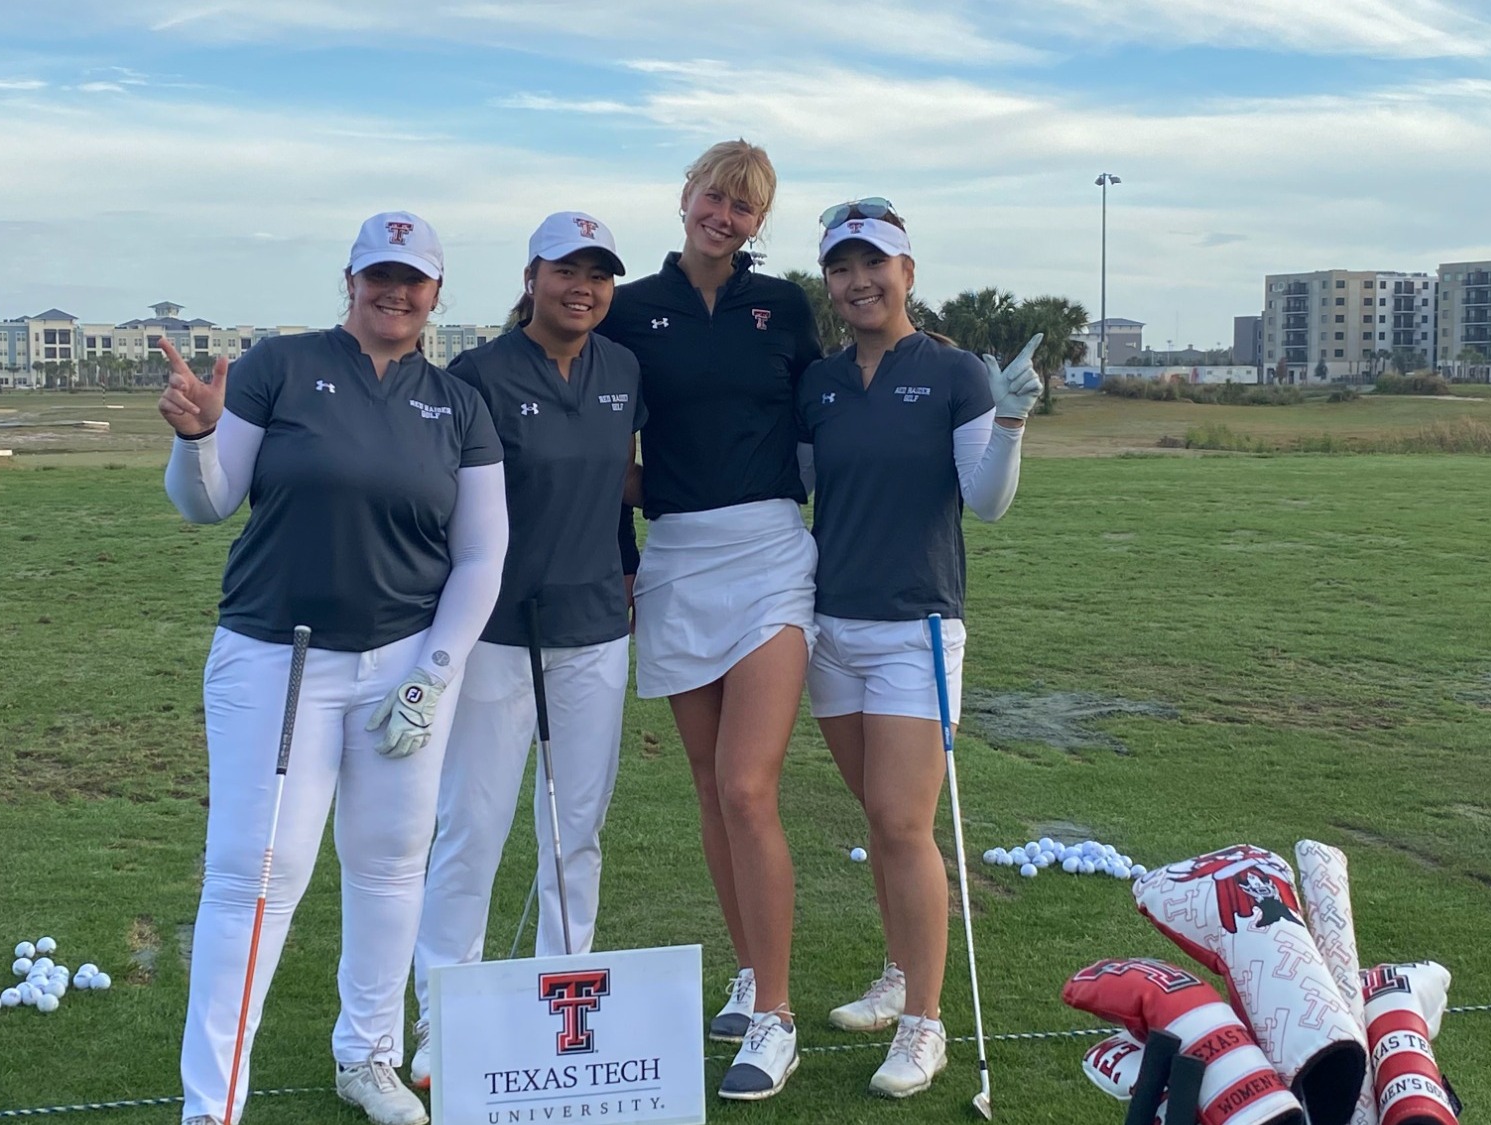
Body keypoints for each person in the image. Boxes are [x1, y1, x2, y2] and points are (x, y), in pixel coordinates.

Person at [157, 211, 507, 1125]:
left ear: (437, 293)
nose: (395, 293)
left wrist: (434, 670)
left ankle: (368, 1055)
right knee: (253, 871)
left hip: (402, 664)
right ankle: (214, 1103)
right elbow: (208, 502)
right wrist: (196, 438)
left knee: (392, 866)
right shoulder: (280, 364)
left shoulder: (458, 404)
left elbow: (480, 555)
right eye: (378, 275)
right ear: (349, 280)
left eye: (414, 280)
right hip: (280, 657)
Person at [793, 199, 1040, 1098]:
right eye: (842, 268)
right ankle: (898, 972)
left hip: (919, 629)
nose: (859, 281)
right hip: (832, 628)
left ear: (907, 272)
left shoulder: (954, 373)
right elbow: (806, 490)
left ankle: (926, 1022)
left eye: (875, 264)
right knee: (879, 817)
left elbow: (987, 499)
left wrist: (1009, 421)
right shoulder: (818, 382)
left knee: (902, 822)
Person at [596, 139, 822, 1102]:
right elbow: (599, 438)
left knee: (744, 785)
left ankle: (776, 1015)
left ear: (758, 223)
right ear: (684, 196)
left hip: (771, 553)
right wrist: (627, 552)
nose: (723, 216)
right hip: (679, 556)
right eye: (713, 197)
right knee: (706, 783)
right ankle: (749, 964)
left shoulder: (787, 309)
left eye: (743, 207)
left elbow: (826, 419)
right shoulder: (631, 307)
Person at [406, 212, 642, 1088]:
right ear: (533, 275)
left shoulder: (623, 369)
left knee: (575, 831)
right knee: (472, 826)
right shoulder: (479, 375)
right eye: (566, 269)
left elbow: (622, 484)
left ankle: (564, 1001)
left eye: (598, 272)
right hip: (498, 634)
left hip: (594, 630)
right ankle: (443, 1011)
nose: (583, 286)